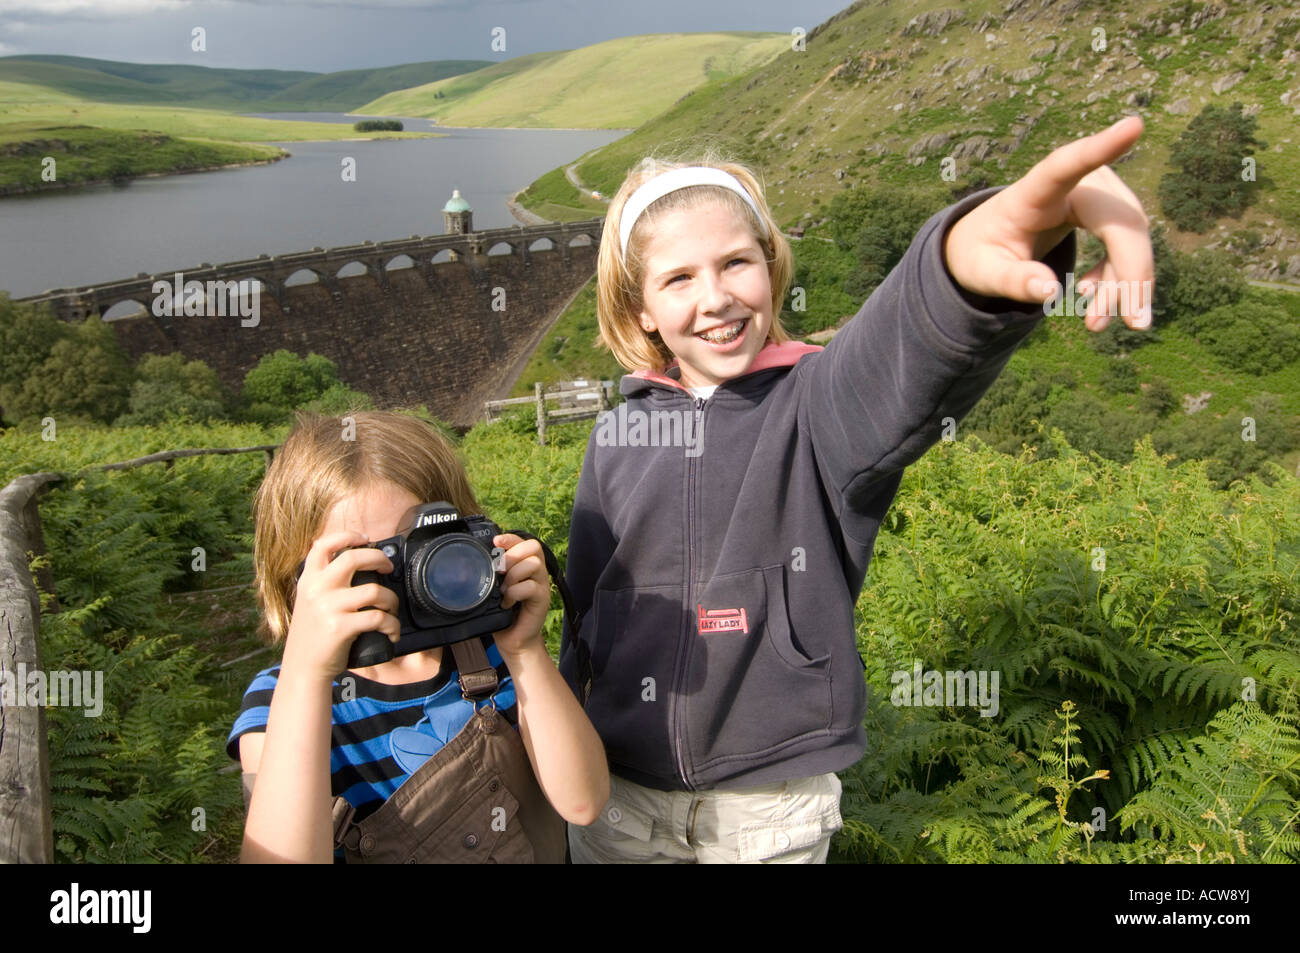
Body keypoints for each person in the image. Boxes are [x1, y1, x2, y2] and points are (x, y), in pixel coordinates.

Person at [559, 116, 1154, 863]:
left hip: (767, 813)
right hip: (619, 805)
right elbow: (583, 620)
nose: (715, 298)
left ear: (771, 270)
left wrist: (970, 254)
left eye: (736, 263)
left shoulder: (817, 405)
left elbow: (900, 351)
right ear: (641, 307)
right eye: (678, 278)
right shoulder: (616, 438)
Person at [229, 409, 608, 863]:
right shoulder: (282, 700)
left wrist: (524, 650)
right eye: (364, 563)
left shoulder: (496, 658)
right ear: (295, 575)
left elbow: (583, 803)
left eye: (417, 550)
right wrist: (306, 674)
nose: (400, 580)